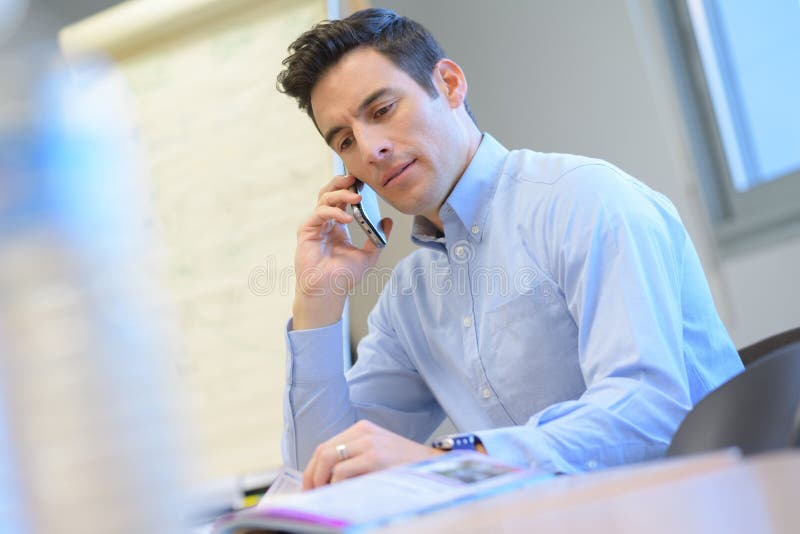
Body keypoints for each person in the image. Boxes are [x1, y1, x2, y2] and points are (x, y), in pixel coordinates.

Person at [276, 8, 743, 490]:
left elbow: (649, 411)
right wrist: (318, 305)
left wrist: (454, 458)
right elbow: (322, 474)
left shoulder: (585, 200)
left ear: (451, 84)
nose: (370, 149)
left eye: (382, 111)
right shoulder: (409, 300)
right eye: (346, 140)